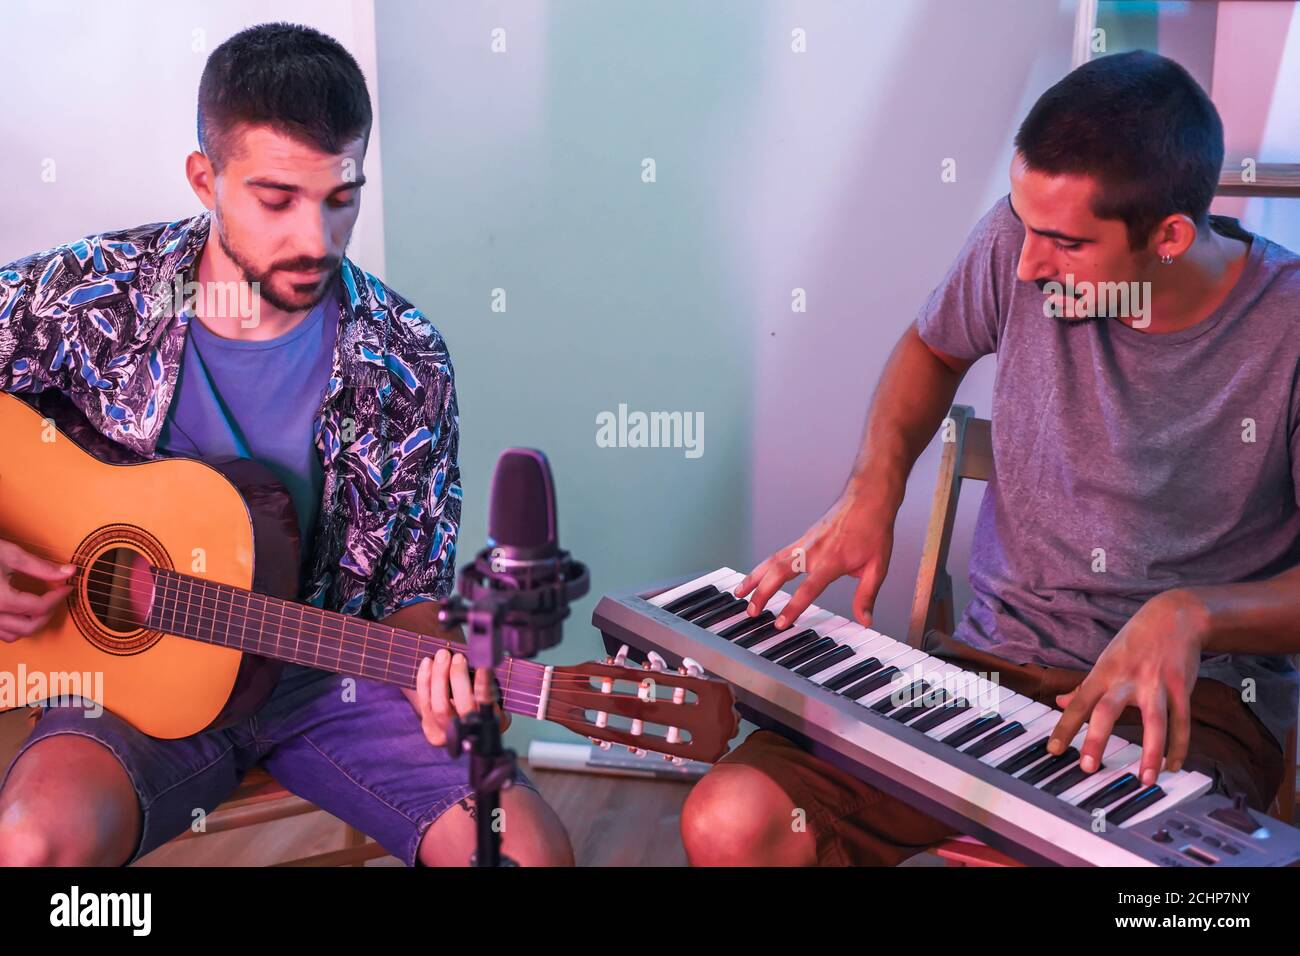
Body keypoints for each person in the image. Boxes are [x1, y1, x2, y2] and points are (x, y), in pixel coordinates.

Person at [681, 50, 1300, 866]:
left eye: (1065, 242)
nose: (1026, 264)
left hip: (1182, 708)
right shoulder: (1022, 243)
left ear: (1171, 238)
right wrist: (875, 486)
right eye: (1022, 223)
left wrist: (1195, 612)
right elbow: (930, 350)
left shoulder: (1285, 330)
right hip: (988, 668)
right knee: (731, 820)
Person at [0, 22, 572, 867]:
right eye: (277, 199)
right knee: (32, 844)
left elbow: (413, 598)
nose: (315, 239)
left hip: (329, 669)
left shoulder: (406, 358)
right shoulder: (93, 295)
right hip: (121, 679)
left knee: (521, 853)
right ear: (206, 178)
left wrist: (450, 673)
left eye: (340, 198)